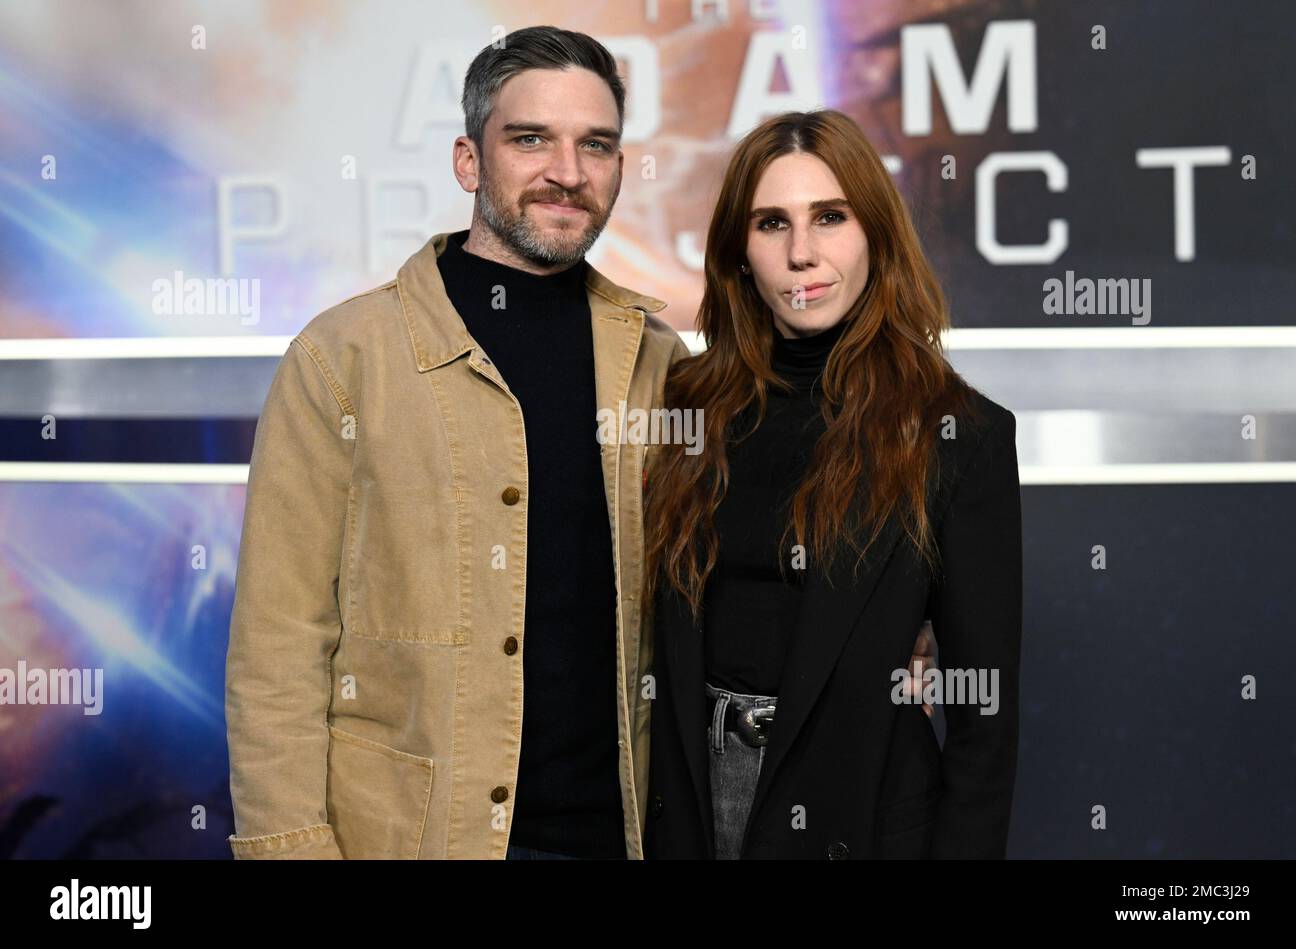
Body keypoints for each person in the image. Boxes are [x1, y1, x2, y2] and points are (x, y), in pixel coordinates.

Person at [225, 25, 936, 861]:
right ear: (468, 160)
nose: (567, 171)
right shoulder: (344, 360)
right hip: (413, 839)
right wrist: (289, 848)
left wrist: (898, 625)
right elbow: (276, 647)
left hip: (626, 835)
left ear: (620, 169)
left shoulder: (660, 365)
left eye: (594, 145)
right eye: (530, 139)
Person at [642, 110, 1023, 859]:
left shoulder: (959, 433)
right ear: (738, 252)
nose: (802, 253)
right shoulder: (679, 407)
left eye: (830, 217)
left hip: (860, 814)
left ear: (875, 232)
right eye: (770, 223)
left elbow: (985, 723)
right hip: (681, 806)